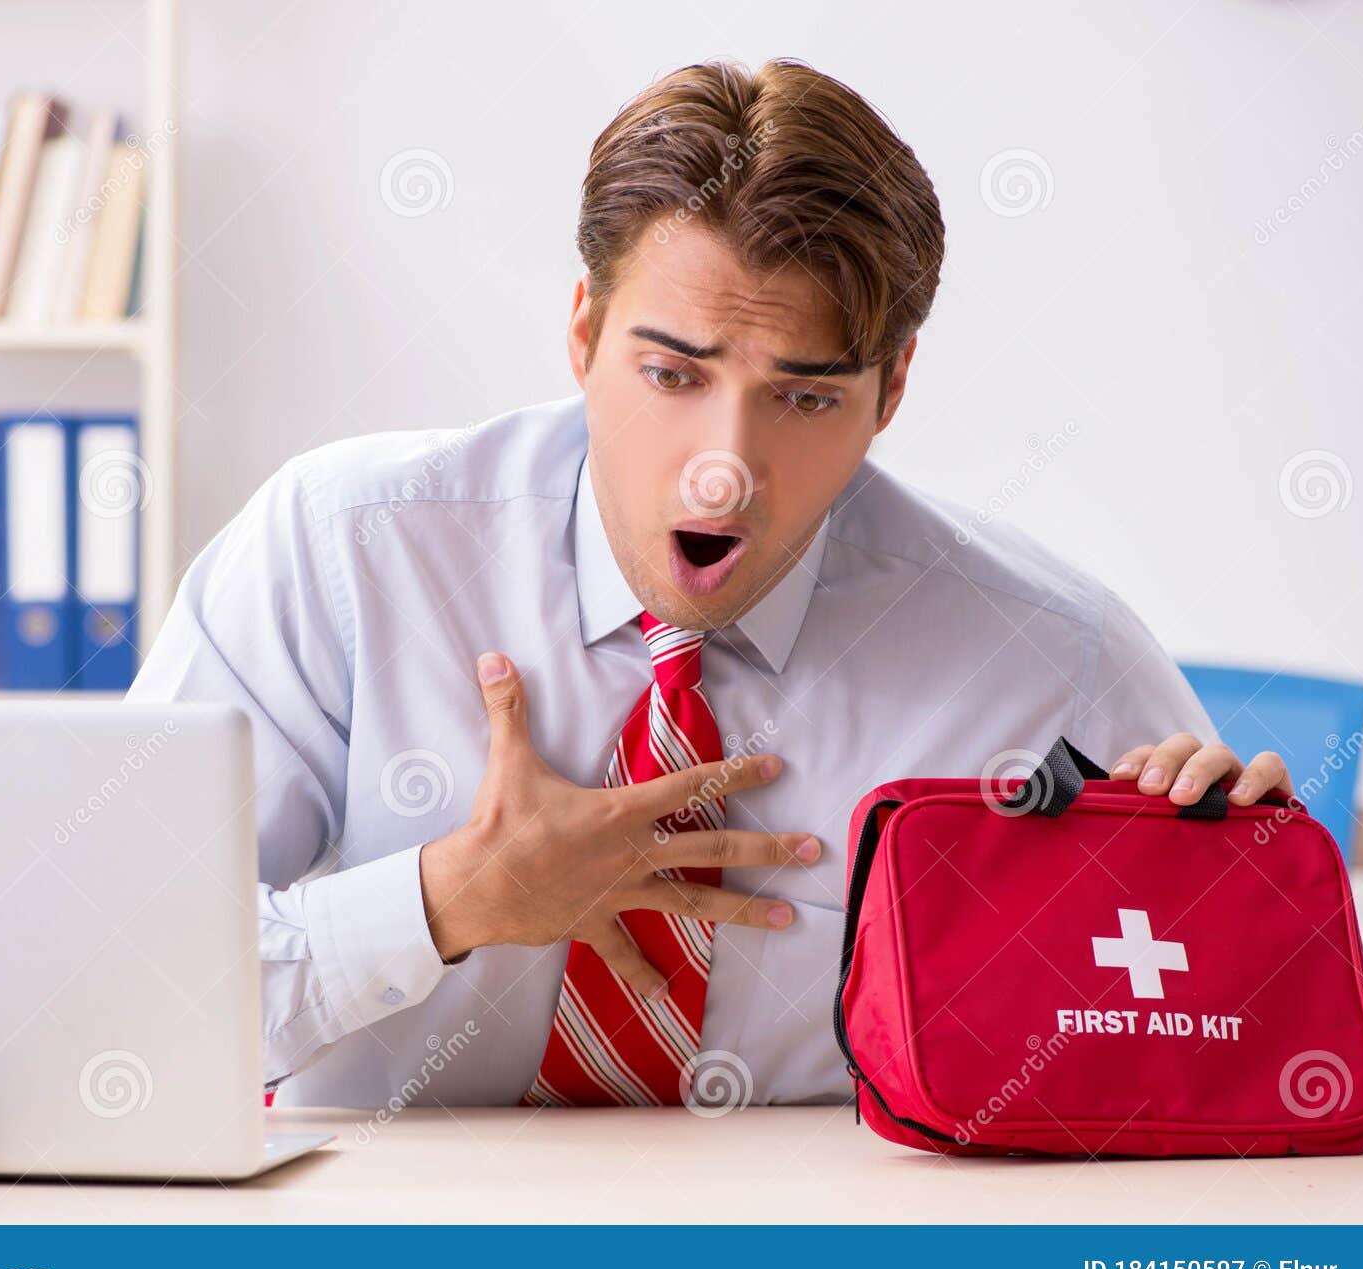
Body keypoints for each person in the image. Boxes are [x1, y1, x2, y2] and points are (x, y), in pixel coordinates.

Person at [128, 58, 1293, 1108]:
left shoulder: (1050, 661)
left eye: (804, 396)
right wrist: (446, 901)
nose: (725, 469)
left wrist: (1227, 895)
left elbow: (1251, 1060)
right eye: (671, 374)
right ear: (582, 335)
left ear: (891, 394)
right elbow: (107, 999)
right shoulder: (339, 554)